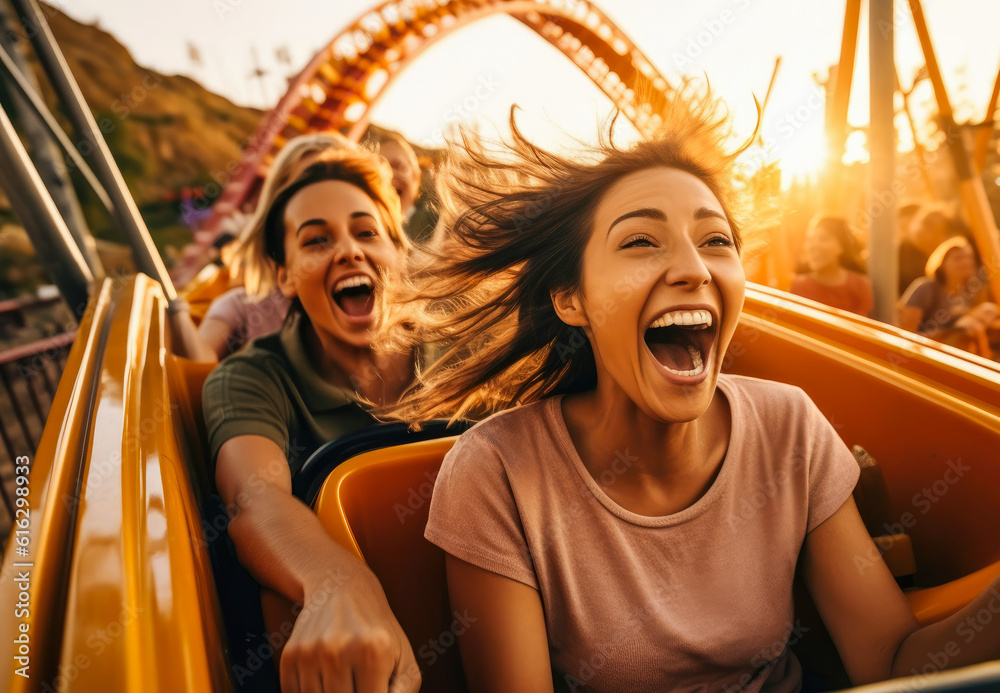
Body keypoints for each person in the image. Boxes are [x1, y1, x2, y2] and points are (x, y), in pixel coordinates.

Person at [377, 90, 1000, 692]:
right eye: (642, 241)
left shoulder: (789, 428)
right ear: (572, 298)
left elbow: (893, 663)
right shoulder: (496, 474)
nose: (694, 269)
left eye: (716, 241)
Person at [202, 152, 422, 692]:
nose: (349, 250)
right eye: (317, 240)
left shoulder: (470, 347)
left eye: (367, 232)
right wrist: (336, 583)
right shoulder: (250, 378)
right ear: (285, 275)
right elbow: (255, 498)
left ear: (396, 251)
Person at [196, 132, 356, 360]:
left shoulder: (378, 305)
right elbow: (192, 368)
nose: (326, 197)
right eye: (308, 185)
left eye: (344, 182)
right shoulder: (244, 309)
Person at [898, 236, 998, 356]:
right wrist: (954, 331)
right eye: (958, 258)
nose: (966, 262)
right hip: (923, 355)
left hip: (957, 357)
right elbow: (905, 334)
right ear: (942, 264)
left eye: (969, 257)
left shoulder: (969, 293)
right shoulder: (926, 289)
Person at [789, 216, 873, 317]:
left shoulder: (859, 284)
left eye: (823, 239)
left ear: (841, 246)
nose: (813, 246)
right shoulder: (796, 285)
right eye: (809, 239)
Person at [897, 207, 953, 296]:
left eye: (932, 227)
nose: (921, 228)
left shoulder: (944, 256)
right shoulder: (899, 252)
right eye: (921, 222)